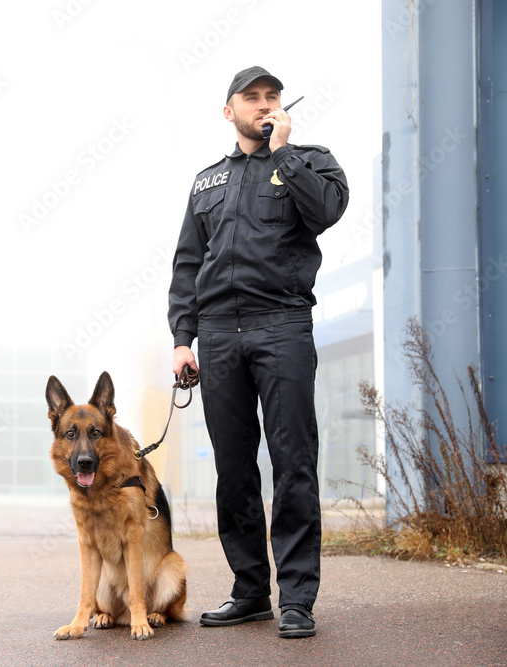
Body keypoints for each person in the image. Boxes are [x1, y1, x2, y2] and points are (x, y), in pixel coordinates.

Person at [167, 66, 349, 639]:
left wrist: (285, 152)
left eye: (272, 96)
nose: (264, 105)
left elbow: (326, 212)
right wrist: (181, 338)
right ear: (230, 111)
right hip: (219, 335)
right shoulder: (207, 182)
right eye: (252, 98)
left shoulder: (311, 161)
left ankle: (296, 598)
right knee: (234, 470)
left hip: (282, 326)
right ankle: (250, 592)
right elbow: (188, 264)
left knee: (293, 462)